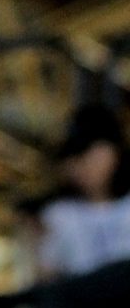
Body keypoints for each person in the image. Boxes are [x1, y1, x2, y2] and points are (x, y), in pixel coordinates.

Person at [38, 104, 130, 281]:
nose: (85, 164)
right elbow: (47, 279)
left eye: (92, 153)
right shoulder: (59, 216)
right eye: (77, 156)